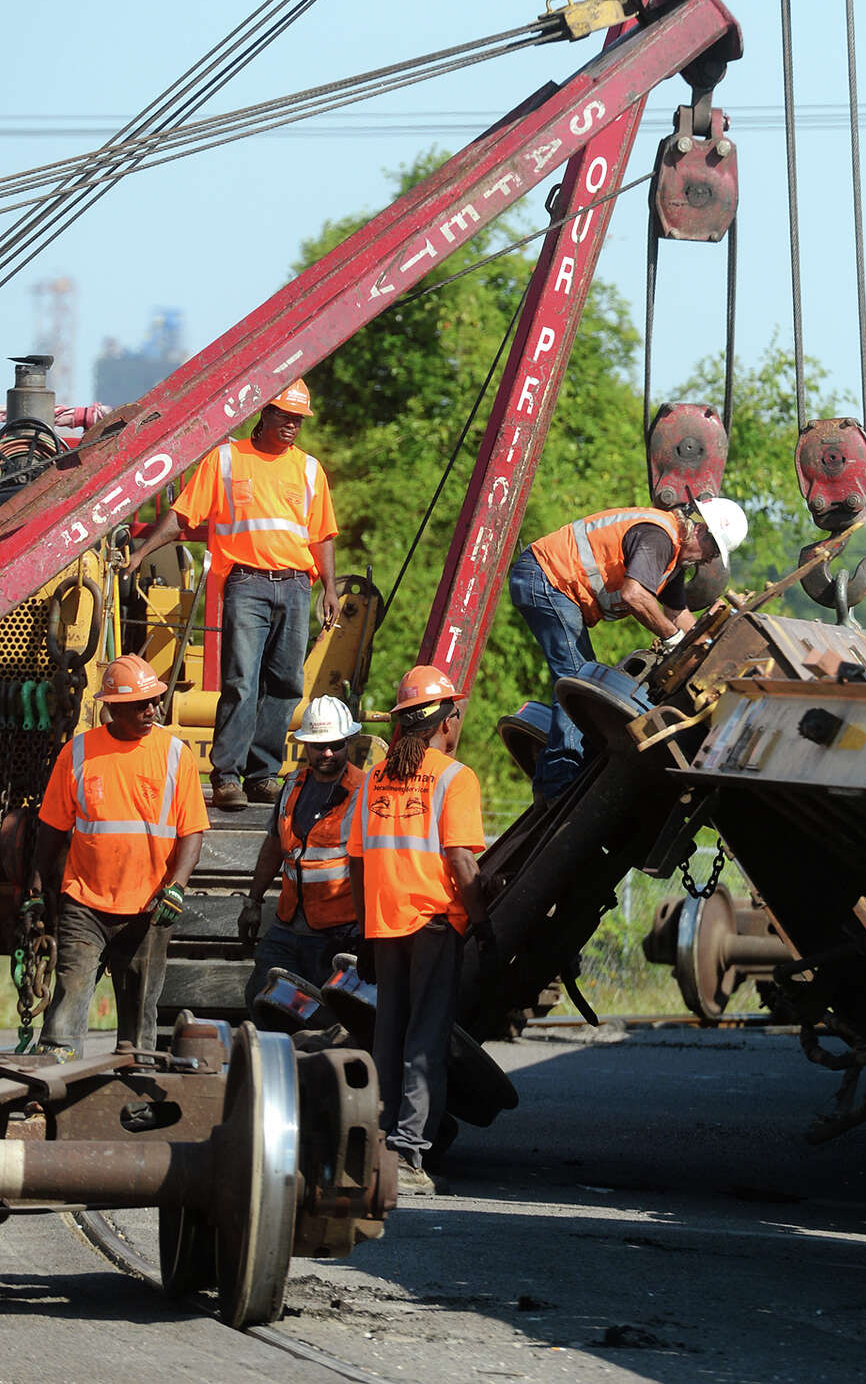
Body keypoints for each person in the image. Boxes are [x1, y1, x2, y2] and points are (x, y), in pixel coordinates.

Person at [127, 380, 338, 811]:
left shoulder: (310, 470)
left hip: (296, 585)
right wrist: (141, 553)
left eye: (299, 419)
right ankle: (227, 775)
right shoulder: (226, 460)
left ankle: (263, 775)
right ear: (265, 413)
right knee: (241, 679)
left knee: (285, 684)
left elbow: (322, 536)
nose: (293, 426)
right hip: (246, 582)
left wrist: (330, 588)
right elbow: (183, 516)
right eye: (285, 416)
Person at [348, 665, 485, 1196]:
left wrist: (364, 929)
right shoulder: (455, 777)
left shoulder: (375, 778)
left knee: (389, 1035)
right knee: (425, 1042)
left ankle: (377, 1146)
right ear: (446, 722)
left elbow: (357, 861)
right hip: (431, 924)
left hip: (385, 925)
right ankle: (407, 1155)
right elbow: (462, 863)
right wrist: (483, 921)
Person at [29, 653, 209, 1060]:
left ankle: (135, 1088)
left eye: (154, 701)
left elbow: (191, 832)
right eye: (140, 704)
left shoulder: (176, 755)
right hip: (85, 904)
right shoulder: (78, 754)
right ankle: (52, 1089)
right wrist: (38, 890)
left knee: (140, 1015)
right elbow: (52, 831)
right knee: (67, 1002)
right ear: (112, 707)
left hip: (149, 908)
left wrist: (176, 888)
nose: (152, 710)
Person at [508, 497, 748, 800]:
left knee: (578, 681)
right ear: (703, 533)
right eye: (713, 552)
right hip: (546, 579)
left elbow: (678, 614)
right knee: (576, 684)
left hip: (550, 583)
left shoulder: (672, 557)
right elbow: (635, 595)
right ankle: (558, 786)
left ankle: (558, 779)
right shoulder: (658, 538)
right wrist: (673, 638)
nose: (707, 560)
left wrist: (712, 648)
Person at [239, 694, 365, 1006]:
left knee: (329, 1013)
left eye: (336, 745)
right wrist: (253, 902)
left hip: (339, 933)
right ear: (304, 745)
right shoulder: (293, 784)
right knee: (263, 997)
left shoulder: (364, 791)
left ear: (349, 741)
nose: (327, 752)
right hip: (289, 926)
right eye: (318, 745)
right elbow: (274, 847)